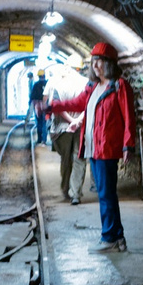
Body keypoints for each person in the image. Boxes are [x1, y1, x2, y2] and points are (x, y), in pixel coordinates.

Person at [41, 42, 138, 252]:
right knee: (107, 193)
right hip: (93, 147)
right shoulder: (93, 87)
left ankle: (109, 238)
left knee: (106, 194)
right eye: (94, 61)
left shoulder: (120, 87)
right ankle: (118, 237)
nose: (96, 65)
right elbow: (76, 104)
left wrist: (128, 145)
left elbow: (129, 117)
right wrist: (52, 106)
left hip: (107, 148)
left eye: (100, 61)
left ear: (110, 63)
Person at [49, 74, 88, 203]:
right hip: (81, 125)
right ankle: (75, 193)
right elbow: (89, 105)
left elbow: (56, 106)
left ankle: (66, 189)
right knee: (79, 158)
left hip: (63, 128)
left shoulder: (58, 86)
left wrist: (72, 121)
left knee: (66, 158)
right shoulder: (86, 83)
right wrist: (77, 121)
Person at [28, 70, 49, 146]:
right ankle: (44, 140)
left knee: (39, 123)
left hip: (38, 108)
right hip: (46, 107)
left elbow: (32, 96)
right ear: (44, 75)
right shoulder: (48, 84)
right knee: (45, 123)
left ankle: (39, 139)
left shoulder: (36, 85)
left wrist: (30, 104)